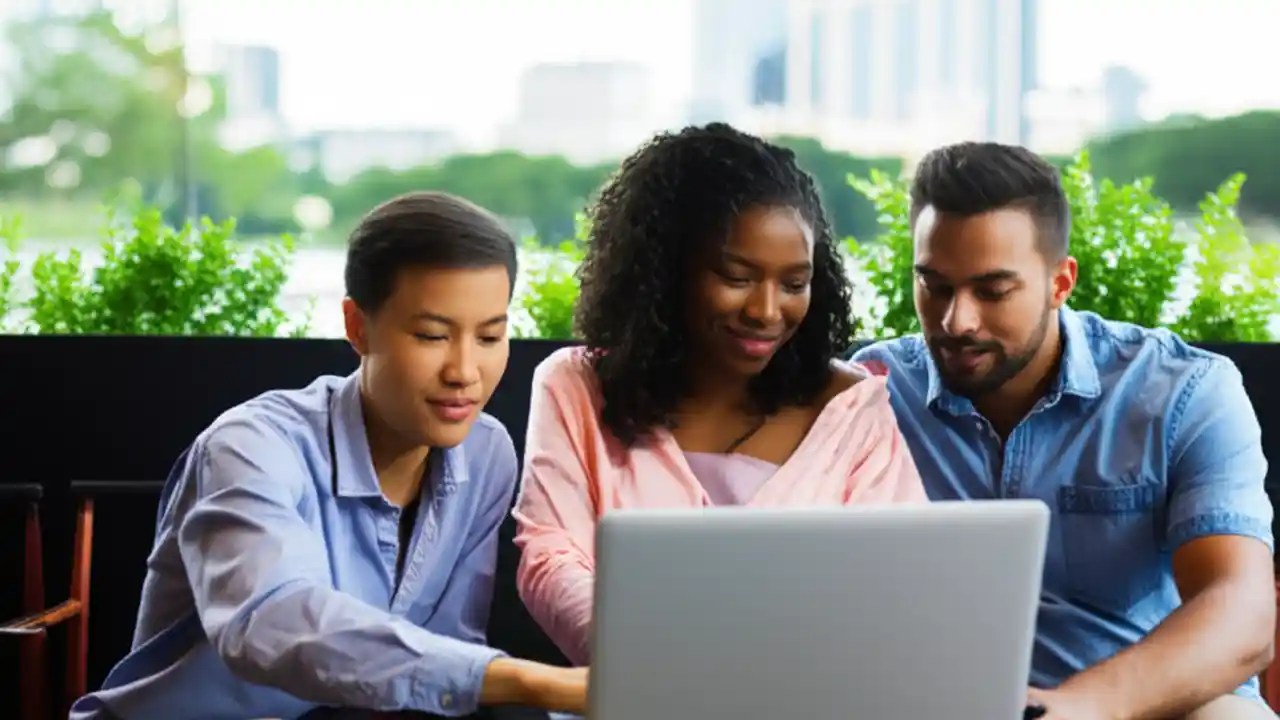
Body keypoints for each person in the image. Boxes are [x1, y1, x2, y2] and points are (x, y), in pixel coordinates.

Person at [69, 192, 588, 720]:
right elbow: (270, 621)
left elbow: (445, 655)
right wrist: (530, 681)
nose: (464, 370)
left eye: (490, 336)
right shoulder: (251, 447)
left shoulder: (485, 453)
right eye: (432, 335)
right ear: (357, 327)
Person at [852, 142, 1276, 720]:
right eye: (936, 286)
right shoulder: (871, 392)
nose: (957, 321)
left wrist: (1087, 706)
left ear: (1060, 282)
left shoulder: (1183, 392)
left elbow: (1242, 614)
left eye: (992, 291)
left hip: (1146, 705)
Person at [512, 122, 928, 666]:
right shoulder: (575, 387)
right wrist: (646, 661)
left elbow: (900, 582)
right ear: (666, 272)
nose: (766, 310)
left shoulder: (850, 408)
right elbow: (550, 556)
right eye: (736, 276)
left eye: (794, 283)